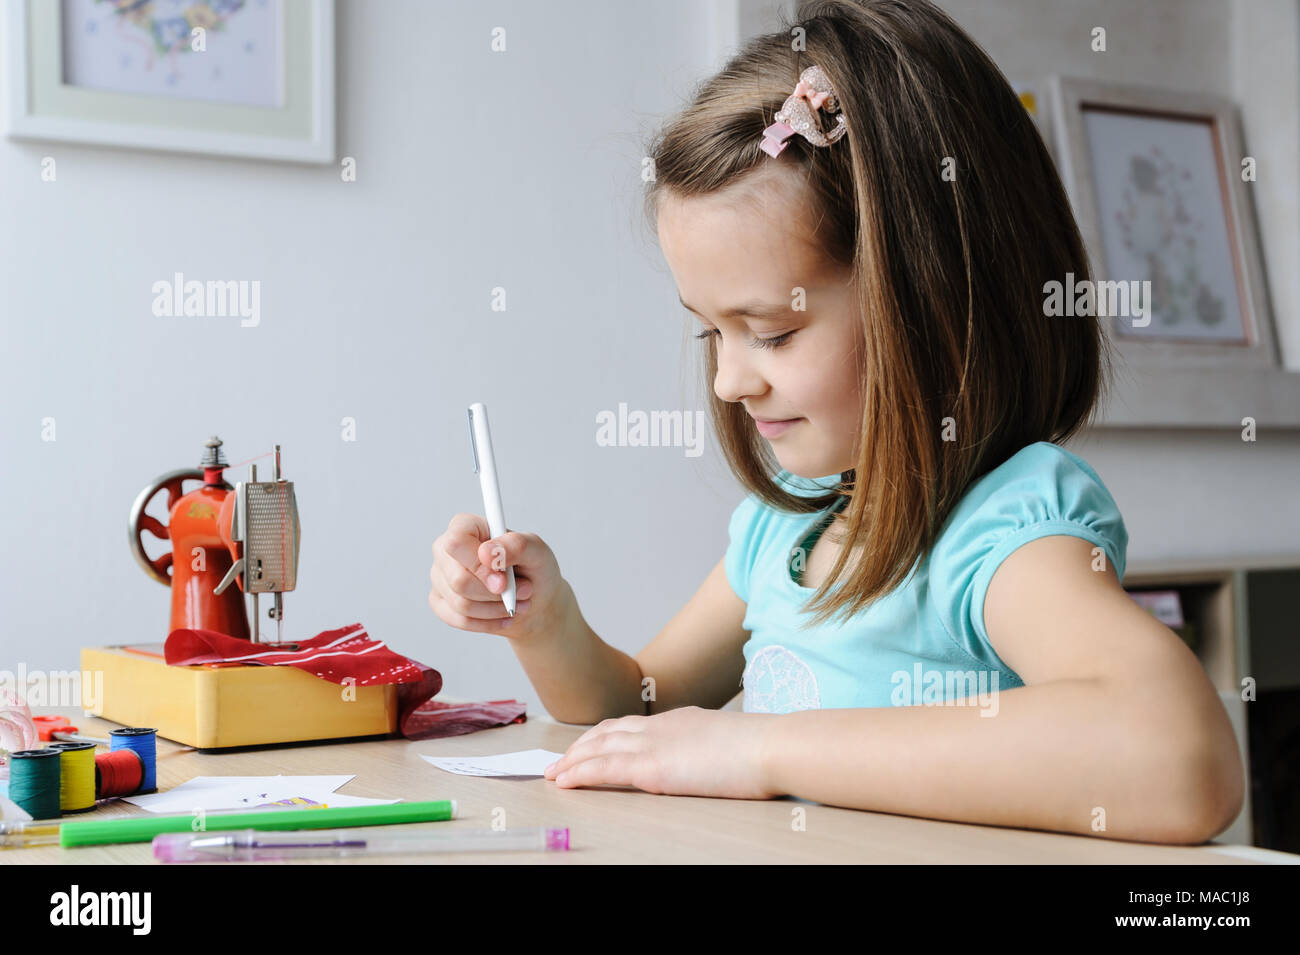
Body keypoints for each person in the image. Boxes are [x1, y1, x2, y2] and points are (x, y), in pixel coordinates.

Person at [428, 0, 1243, 844]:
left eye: (772, 332)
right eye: (713, 332)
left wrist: (761, 751)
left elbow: (1179, 758)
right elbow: (631, 703)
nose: (732, 379)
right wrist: (546, 619)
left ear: (934, 303)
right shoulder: (788, 520)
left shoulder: (1000, 535)